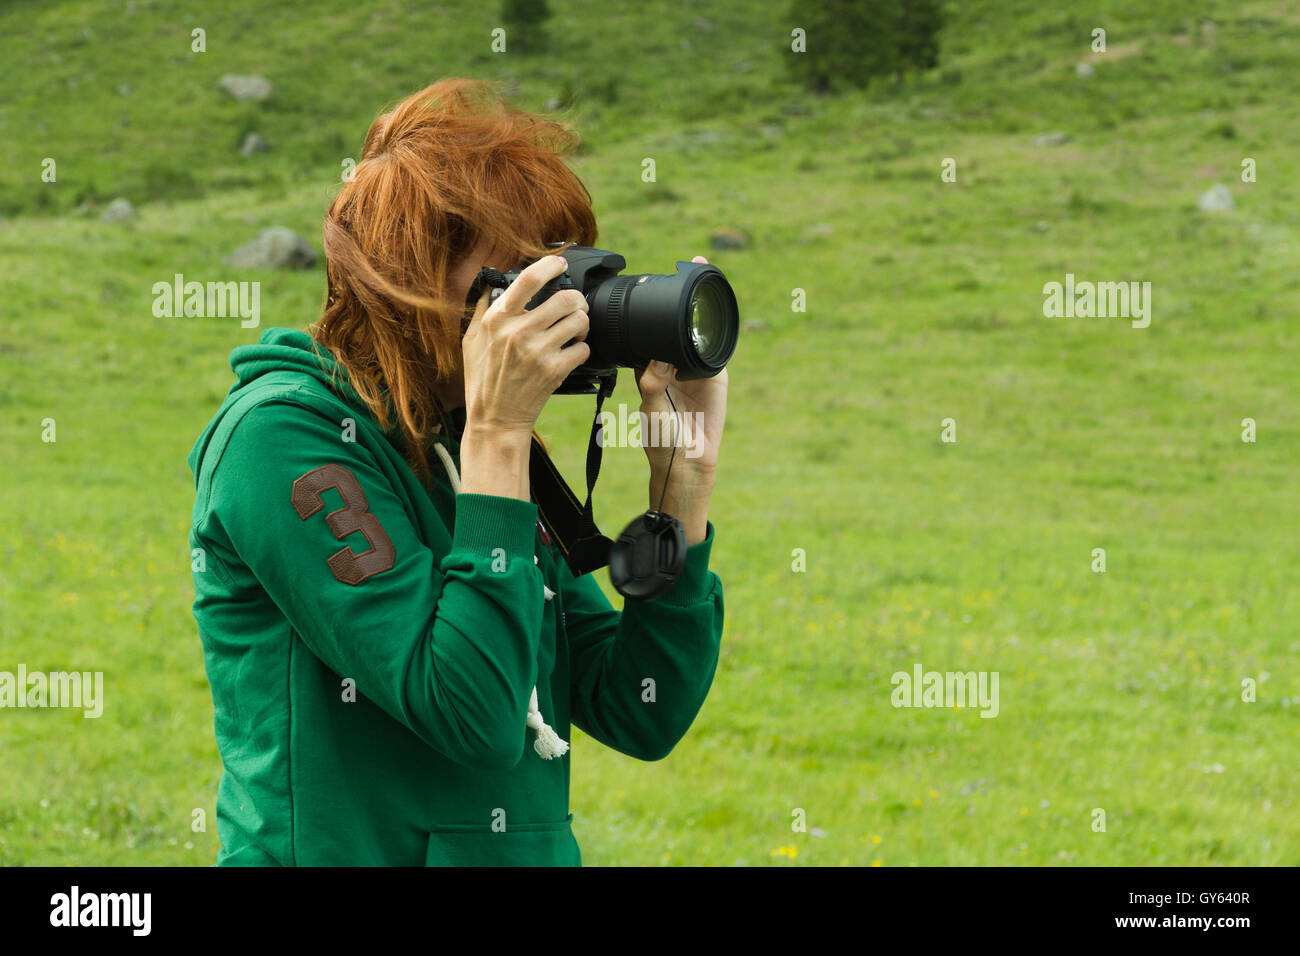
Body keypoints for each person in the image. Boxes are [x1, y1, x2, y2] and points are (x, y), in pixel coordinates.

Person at [186, 78, 726, 866]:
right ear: (403, 278)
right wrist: (501, 436)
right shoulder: (282, 438)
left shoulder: (467, 438)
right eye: (519, 280)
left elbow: (639, 707)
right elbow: (470, 715)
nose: (556, 310)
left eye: (559, 271)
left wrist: (683, 489)